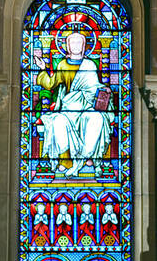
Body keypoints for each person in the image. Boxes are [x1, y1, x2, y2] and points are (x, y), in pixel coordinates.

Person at [34, 29, 113, 177]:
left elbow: (94, 87)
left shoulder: (90, 65)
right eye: (73, 42)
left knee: (97, 119)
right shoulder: (63, 65)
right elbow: (51, 84)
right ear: (67, 46)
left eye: (79, 42)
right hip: (68, 108)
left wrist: (105, 90)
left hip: (87, 107)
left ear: (84, 46)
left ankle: (87, 159)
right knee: (57, 121)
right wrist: (43, 69)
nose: (76, 45)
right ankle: (65, 162)